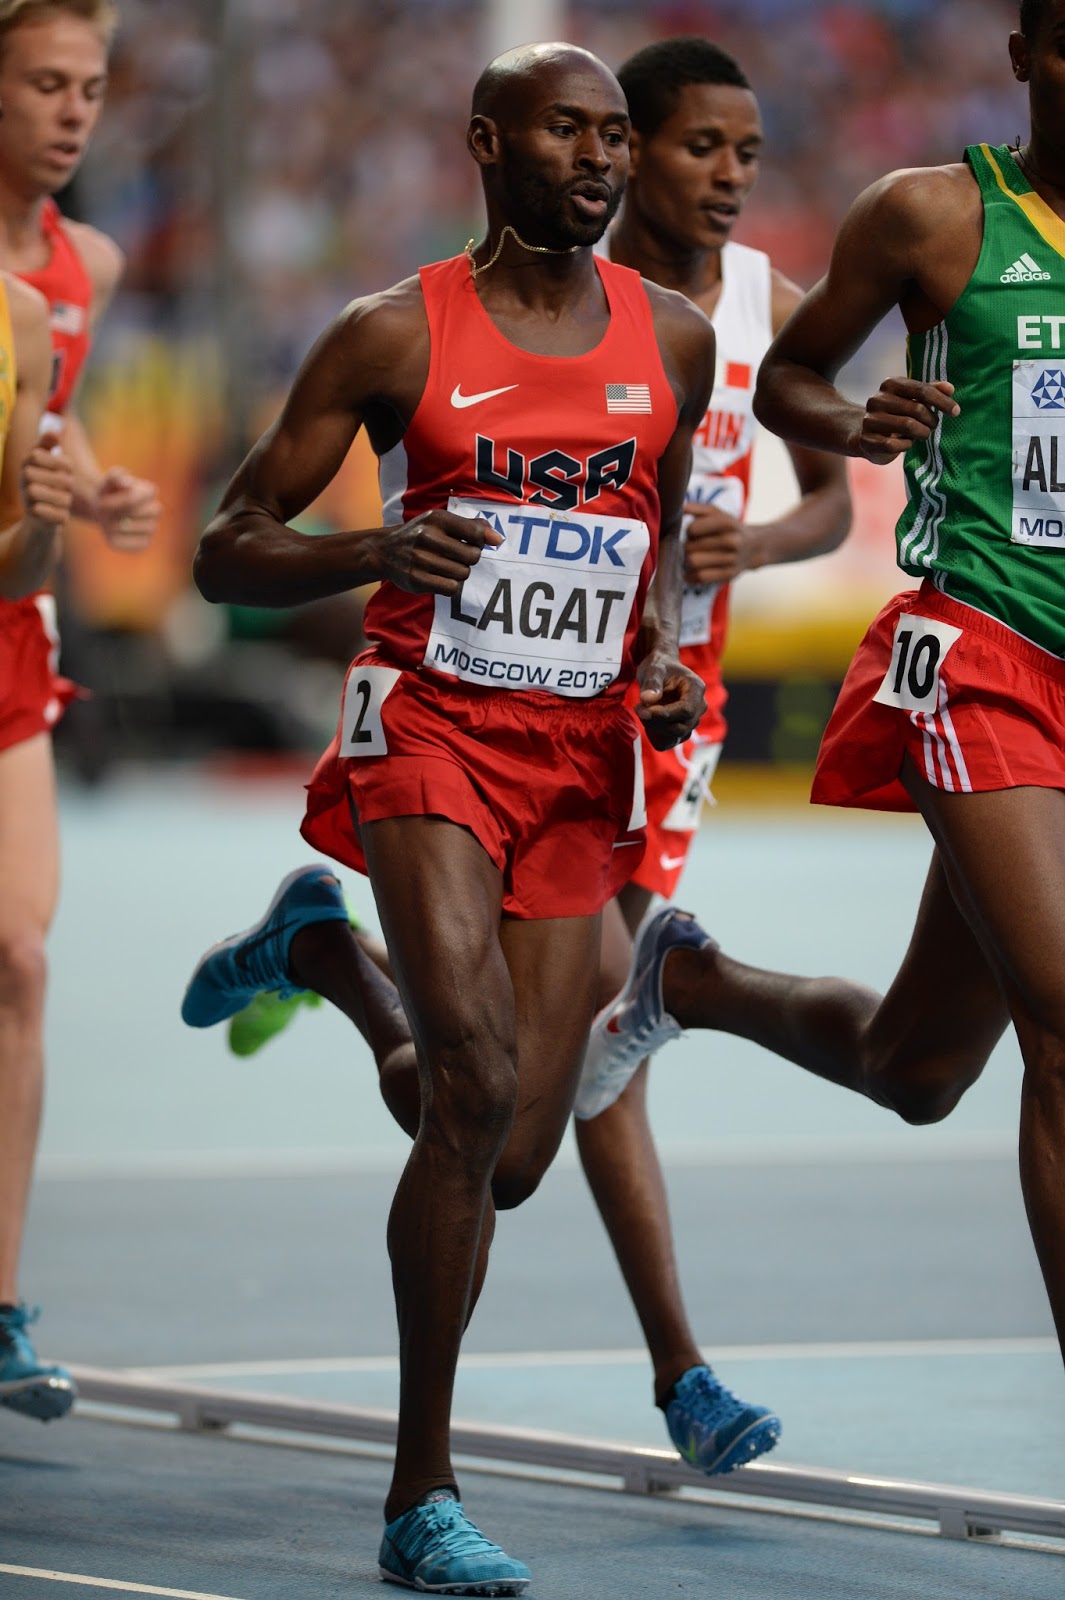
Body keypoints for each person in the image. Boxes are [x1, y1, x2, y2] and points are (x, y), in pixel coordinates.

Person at [181, 42, 712, 1596]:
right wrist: (370, 552)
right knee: (472, 1077)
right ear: (489, 142)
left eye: (617, 136)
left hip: (576, 755)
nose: (603, 159)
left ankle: (323, 959)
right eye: (569, 131)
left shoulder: (668, 340)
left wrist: (663, 659)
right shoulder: (390, 334)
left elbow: (650, 539)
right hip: (425, 727)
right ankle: (423, 1490)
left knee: (511, 1149)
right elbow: (227, 548)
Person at [578, 0, 1065, 1378]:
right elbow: (789, 378)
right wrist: (860, 423)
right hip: (978, 654)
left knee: (918, 1072)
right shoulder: (928, 219)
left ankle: (694, 978)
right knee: (1064, 1032)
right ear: (1024, 52)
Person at [570, 35, 851, 1470]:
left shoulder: (769, 302)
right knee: (581, 1039)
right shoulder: (566, 295)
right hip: (552, 695)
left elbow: (827, 506)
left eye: (746, 152)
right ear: (622, 151)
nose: (730, 176)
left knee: (581, 1051)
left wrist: (762, 538)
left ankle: (681, 1369)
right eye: (699, 149)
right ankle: (682, 1367)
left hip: (678, 708)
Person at [0, 0, 159, 1423]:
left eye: (90, 88)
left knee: (21, 965)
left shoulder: (84, 262)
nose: (72, 112)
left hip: (9, 645)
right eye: (44, 83)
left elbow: (45, 411)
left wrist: (92, 484)